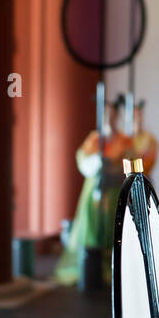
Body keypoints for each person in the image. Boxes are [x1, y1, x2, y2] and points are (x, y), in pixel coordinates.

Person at [55, 95, 131, 285]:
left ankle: (113, 265)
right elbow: (83, 159)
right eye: (106, 115)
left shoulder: (124, 140)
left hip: (114, 189)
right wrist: (96, 164)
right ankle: (90, 263)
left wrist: (113, 169)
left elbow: (129, 163)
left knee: (114, 224)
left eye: (113, 115)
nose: (109, 119)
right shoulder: (95, 139)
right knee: (92, 223)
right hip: (95, 188)